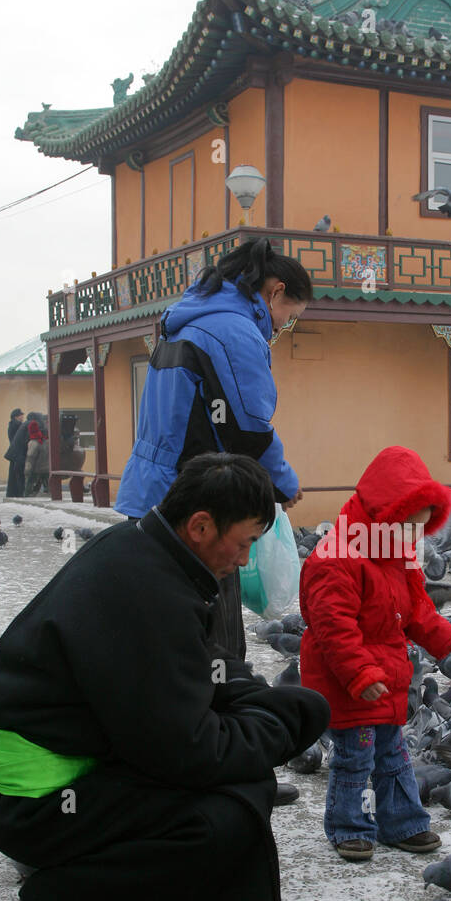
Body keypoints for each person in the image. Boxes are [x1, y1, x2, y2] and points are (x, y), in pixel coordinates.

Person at [0, 452, 330, 901]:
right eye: (244, 543)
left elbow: (197, 661)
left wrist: (253, 694)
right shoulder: (147, 592)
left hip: (23, 778)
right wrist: (285, 722)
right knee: (223, 817)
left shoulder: (137, 547)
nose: (245, 561)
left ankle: (68, 857)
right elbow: (189, 754)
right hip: (26, 800)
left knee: (238, 782)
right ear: (201, 526)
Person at [115, 236, 312, 661]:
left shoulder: (190, 319)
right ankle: (213, 721)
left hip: (152, 496)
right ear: (275, 291)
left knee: (160, 635)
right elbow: (248, 431)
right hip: (197, 508)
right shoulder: (233, 332)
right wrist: (284, 483)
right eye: (289, 317)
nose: (283, 327)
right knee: (212, 646)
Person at [299, 446, 451, 862]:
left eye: (420, 530)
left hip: (387, 679)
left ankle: (403, 822)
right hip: (350, 682)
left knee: (394, 754)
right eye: (409, 528)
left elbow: (418, 609)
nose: (415, 539)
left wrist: (446, 640)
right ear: (383, 516)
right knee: (356, 757)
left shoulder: (398, 556)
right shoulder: (335, 558)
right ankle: (348, 827)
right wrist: (360, 675)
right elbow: (333, 628)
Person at [24, 415, 49, 497]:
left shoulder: (33, 443)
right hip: (46, 468)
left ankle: (27, 497)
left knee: (30, 484)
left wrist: (27, 471)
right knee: (47, 484)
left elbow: (30, 458)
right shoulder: (44, 440)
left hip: (36, 469)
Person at [4, 409, 27, 498]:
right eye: (21, 415)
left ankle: (12, 493)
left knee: (13, 475)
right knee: (17, 474)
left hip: (14, 453)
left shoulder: (13, 424)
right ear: (16, 416)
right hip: (17, 453)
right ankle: (17, 493)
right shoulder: (17, 425)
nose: (22, 417)